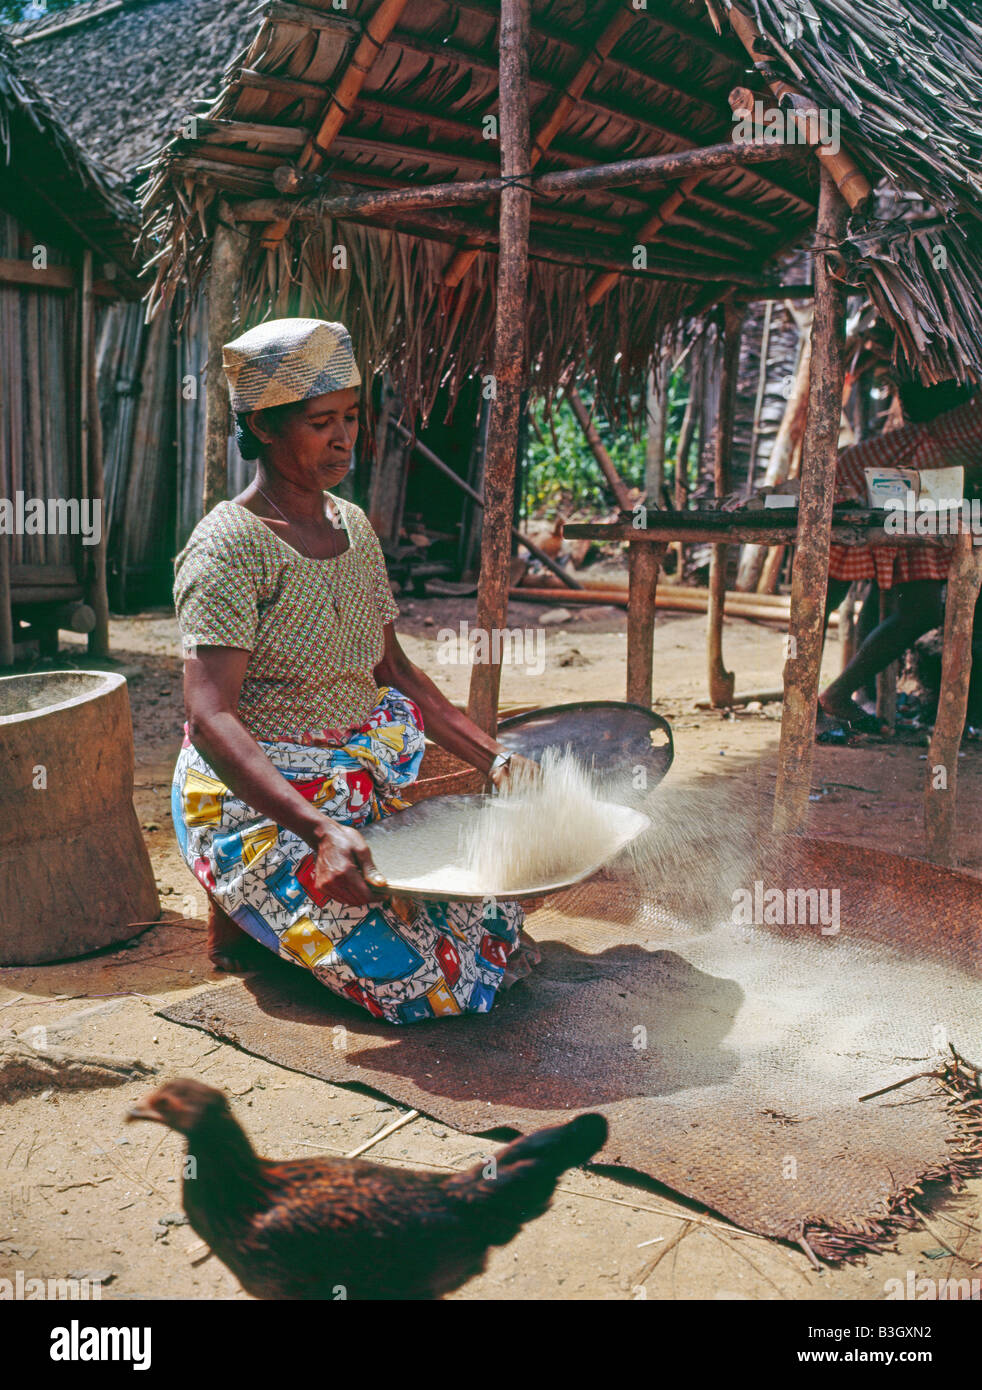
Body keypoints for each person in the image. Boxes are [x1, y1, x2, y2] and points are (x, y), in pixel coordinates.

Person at [171, 318, 538, 1024]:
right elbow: (211, 717)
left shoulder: (353, 527)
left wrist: (494, 760)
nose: (345, 439)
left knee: (491, 922)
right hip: (257, 798)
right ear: (265, 428)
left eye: (352, 418)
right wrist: (319, 833)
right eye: (320, 423)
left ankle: (286, 917)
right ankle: (247, 901)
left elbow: (393, 669)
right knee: (427, 981)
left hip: (345, 784)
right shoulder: (229, 547)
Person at [817, 381, 981, 732]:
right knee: (823, 599)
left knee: (920, 610)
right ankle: (803, 700)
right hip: (866, 478)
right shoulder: (971, 413)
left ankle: (838, 694)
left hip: (920, 487)